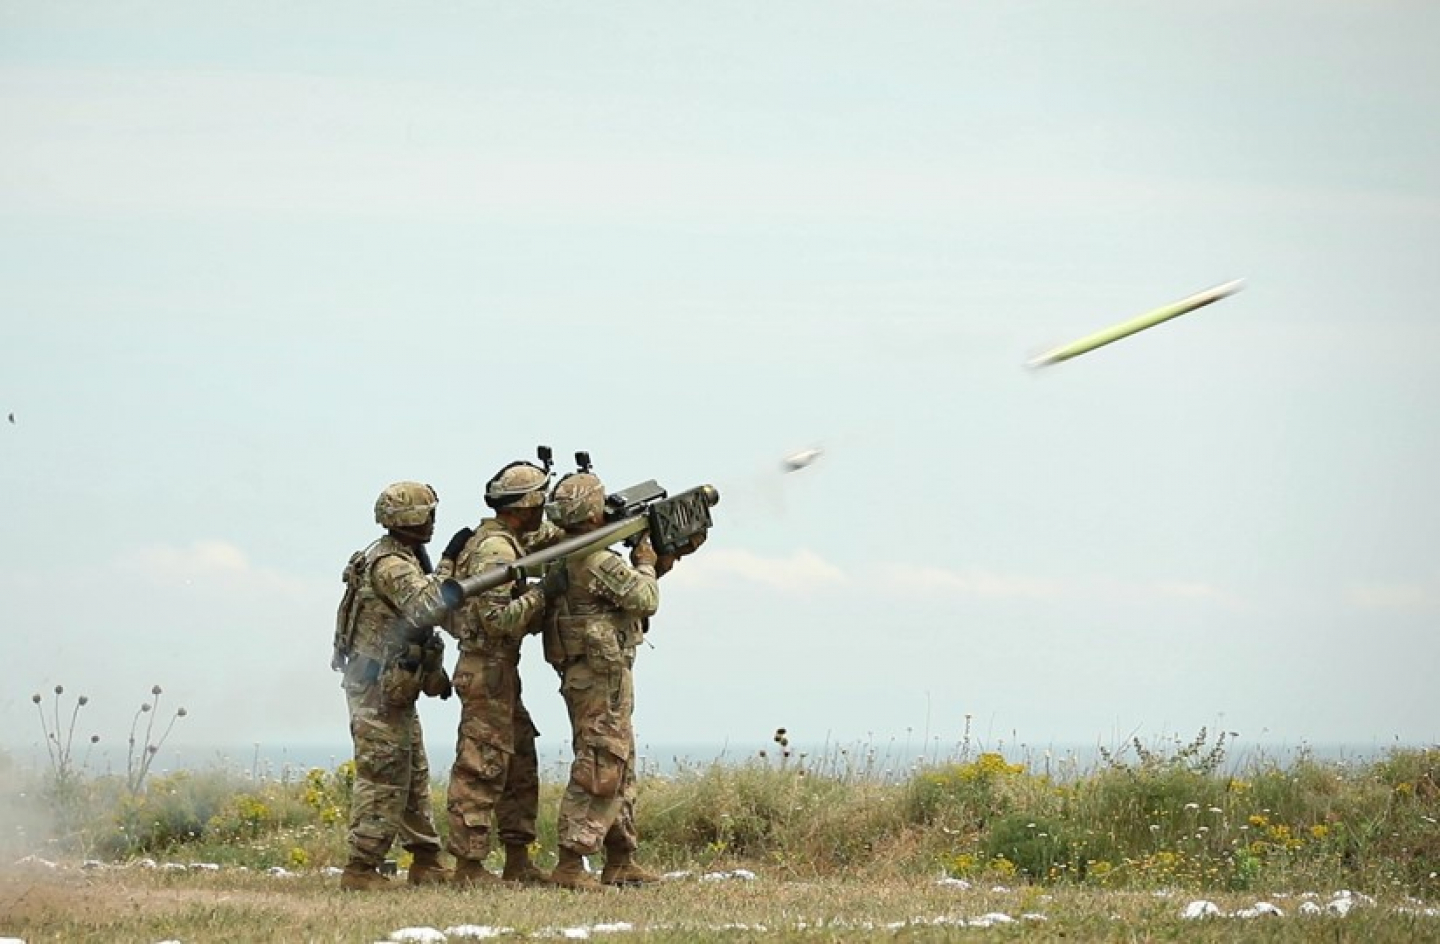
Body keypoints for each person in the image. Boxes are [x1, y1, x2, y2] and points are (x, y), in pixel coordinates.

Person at [541, 469, 698, 890]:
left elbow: (620, 599)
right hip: (599, 674)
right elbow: (644, 598)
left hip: (596, 672)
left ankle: (621, 857)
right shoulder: (596, 558)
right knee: (600, 761)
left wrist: (659, 562)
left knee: (618, 760)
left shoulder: (565, 552)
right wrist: (645, 561)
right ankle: (571, 862)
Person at [436, 456, 567, 887]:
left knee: (519, 763)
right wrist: (542, 594)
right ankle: (468, 866)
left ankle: (517, 858)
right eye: (539, 503)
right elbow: (497, 621)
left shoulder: (504, 539)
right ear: (524, 506)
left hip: (499, 670)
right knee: (481, 767)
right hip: (485, 668)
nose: (543, 510)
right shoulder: (496, 550)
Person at [331, 481, 459, 892]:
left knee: (412, 771)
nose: (433, 521)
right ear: (412, 518)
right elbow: (427, 606)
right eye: (428, 514)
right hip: (376, 687)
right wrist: (449, 565)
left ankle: (426, 859)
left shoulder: (400, 556)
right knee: (383, 774)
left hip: (390, 685)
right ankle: (361, 867)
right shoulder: (392, 566)